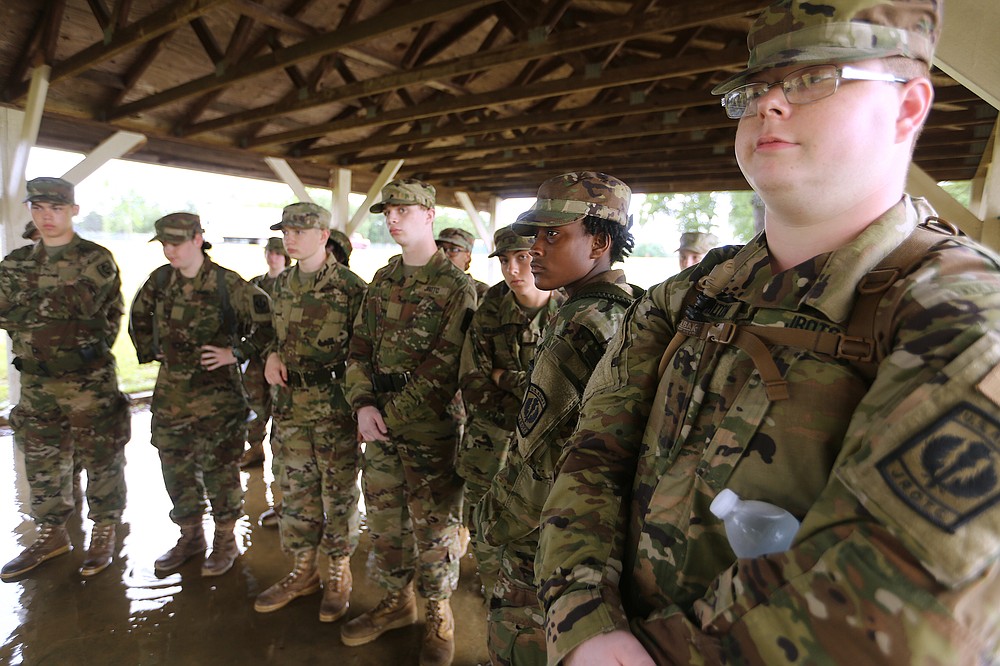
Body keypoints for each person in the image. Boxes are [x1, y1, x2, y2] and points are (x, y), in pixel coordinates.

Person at [535, 1, 1000, 664]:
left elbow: (907, 608)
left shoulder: (962, 312)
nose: (769, 105)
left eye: (816, 78)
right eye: (754, 88)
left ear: (908, 107)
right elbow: (589, 459)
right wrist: (585, 622)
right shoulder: (693, 295)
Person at [475, 172, 639, 665]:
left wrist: (491, 523)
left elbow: (538, 460)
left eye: (554, 235)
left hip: (543, 538)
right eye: (536, 235)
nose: (535, 250)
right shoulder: (621, 309)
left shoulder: (580, 324)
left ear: (600, 242)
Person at [343, 178, 477, 666]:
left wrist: (386, 416)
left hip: (429, 430)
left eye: (402, 210)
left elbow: (444, 369)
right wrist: (362, 405)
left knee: (436, 527)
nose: (392, 218)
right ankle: (397, 601)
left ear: (428, 214)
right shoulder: (383, 279)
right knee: (384, 522)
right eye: (387, 212)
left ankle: (439, 611)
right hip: (378, 423)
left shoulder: (455, 286)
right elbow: (358, 348)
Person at [129, 212, 274, 578]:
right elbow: (138, 316)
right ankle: (190, 535)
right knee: (174, 467)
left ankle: (225, 539)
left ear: (197, 239)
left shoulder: (229, 285)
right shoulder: (160, 281)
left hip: (218, 398)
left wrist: (236, 353)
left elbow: (268, 327)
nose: (169, 251)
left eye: (175, 243)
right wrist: (151, 349)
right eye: (164, 244)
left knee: (220, 470)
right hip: (172, 394)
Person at [0, 177, 130, 580]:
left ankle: (105, 529)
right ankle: (52, 532)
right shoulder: (16, 263)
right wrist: (46, 310)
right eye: (38, 209)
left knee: (101, 456)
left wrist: (30, 308)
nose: (47, 217)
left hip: (87, 378)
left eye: (55, 208)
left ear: (73, 210)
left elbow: (82, 308)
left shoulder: (96, 259)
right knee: (41, 459)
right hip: (37, 381)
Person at [253, 203, 367, 623]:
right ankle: (302, 571)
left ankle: (338, 572)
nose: (291, 237)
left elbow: (365, 350)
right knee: (295, 491)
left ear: (323, 236)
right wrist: (270, 354)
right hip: (290, 407)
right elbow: (272, 334)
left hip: (335, 406)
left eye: (300, 231)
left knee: (338, 494)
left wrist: (360, 408)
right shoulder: (281, 285)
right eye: (286, 231)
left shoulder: (350, 287)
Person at [458, 226, 564, 596]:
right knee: (484, 530)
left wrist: (507, 379)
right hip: (488, 449)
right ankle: (491, 592)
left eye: (522, 258)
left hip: (545, 458)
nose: (512, 270)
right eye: (504, 261)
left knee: (540, 540)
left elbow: (569, 395)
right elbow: (472, 381)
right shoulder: (490, 309)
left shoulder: (568, 310)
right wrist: (530, 400)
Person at [241, 237, 290, 469]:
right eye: (270, 252)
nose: (273, 257)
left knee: (280, 405)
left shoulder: (290, 283)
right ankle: (255, 447)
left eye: (278, 253)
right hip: (256, 355)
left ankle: (278, 458)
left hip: (281, 354)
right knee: (254, 402)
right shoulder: (255, 285)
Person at [436, 227, 489, 301]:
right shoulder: (425, 284)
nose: (444, 254)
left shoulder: (481, 291)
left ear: (467, 256)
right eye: (440, 249)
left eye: (454, 250)